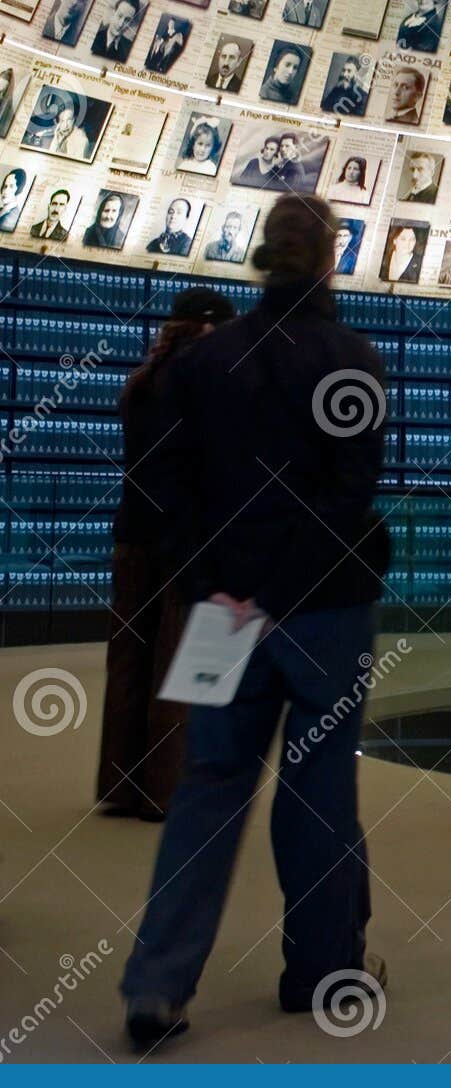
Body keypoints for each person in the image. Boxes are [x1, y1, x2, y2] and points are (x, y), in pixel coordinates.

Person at [120, 195, 390, 1049]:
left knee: (208, 790)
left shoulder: (206, 362)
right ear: (328, 261)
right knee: (319, 800)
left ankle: (157, 987)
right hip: (325, 611)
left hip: (224, 614)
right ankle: (321, 971)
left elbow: (167, 489)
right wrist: (277, 590)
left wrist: (223, 586)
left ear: (260, 256)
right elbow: (348, 500)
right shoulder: (353, 360)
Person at [97, 287, 235, 826]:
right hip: (185, 542)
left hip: (133, 536)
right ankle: (166, 791)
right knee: (180, 665)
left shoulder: (140, 384)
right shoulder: (206, 387)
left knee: (129, 657)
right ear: (205, 330)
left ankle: (120, 784)